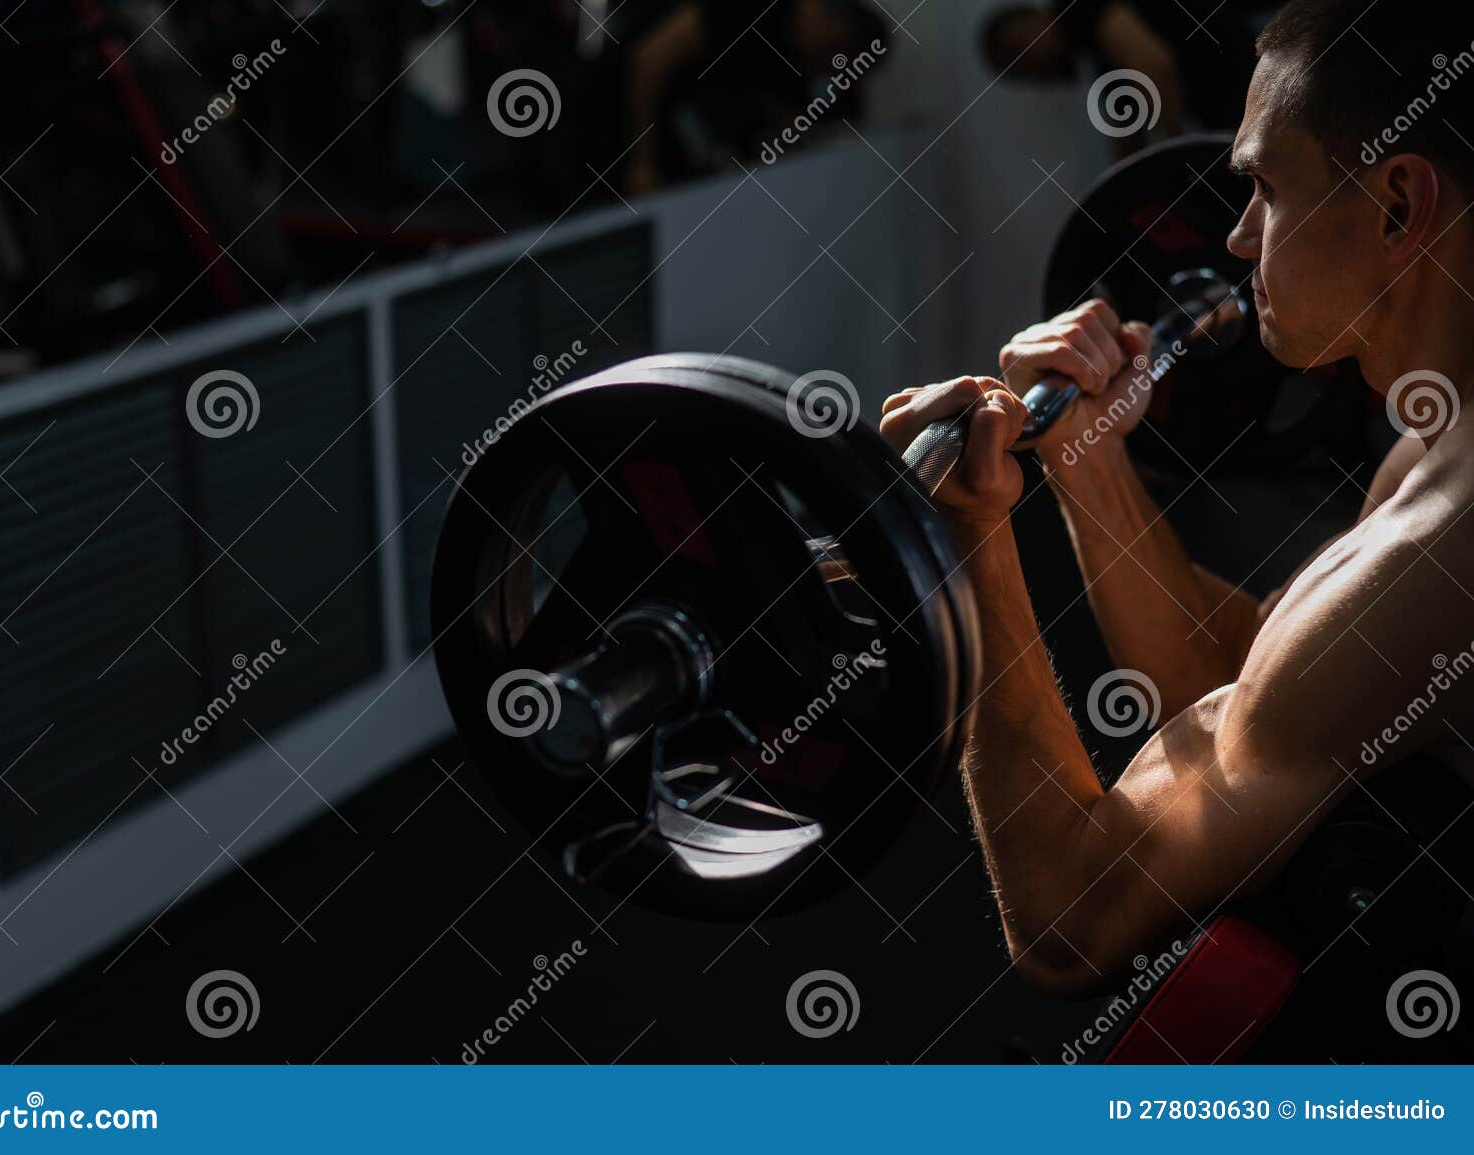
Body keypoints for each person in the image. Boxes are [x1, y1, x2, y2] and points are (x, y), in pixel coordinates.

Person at [880, 0, 1474, 992]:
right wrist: (1086, 460)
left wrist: (961, 542)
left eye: (1264, 189)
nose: (1238, 239)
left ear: (1397, 207)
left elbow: (1074, 913)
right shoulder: (1433, 447)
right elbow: (1258, 686)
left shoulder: (1445, 540)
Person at [622, 0, 888, 195]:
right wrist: (643, 165)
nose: (825, 71)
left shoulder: (800, 62)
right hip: (624, 109)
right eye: (832, 58)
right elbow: (650, 59)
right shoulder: (753, 9)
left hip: (683, 151)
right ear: (830, 27)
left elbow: (788, 129)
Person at [981, 2, 1282, 152]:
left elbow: (1154, 63)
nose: (1039, 78)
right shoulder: (1092, 49)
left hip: (1254, 61)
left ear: (1021, 37)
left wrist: (1177, 149)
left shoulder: (1080, 12)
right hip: (1248, 82)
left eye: (1026, 66)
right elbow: (1127, 118)